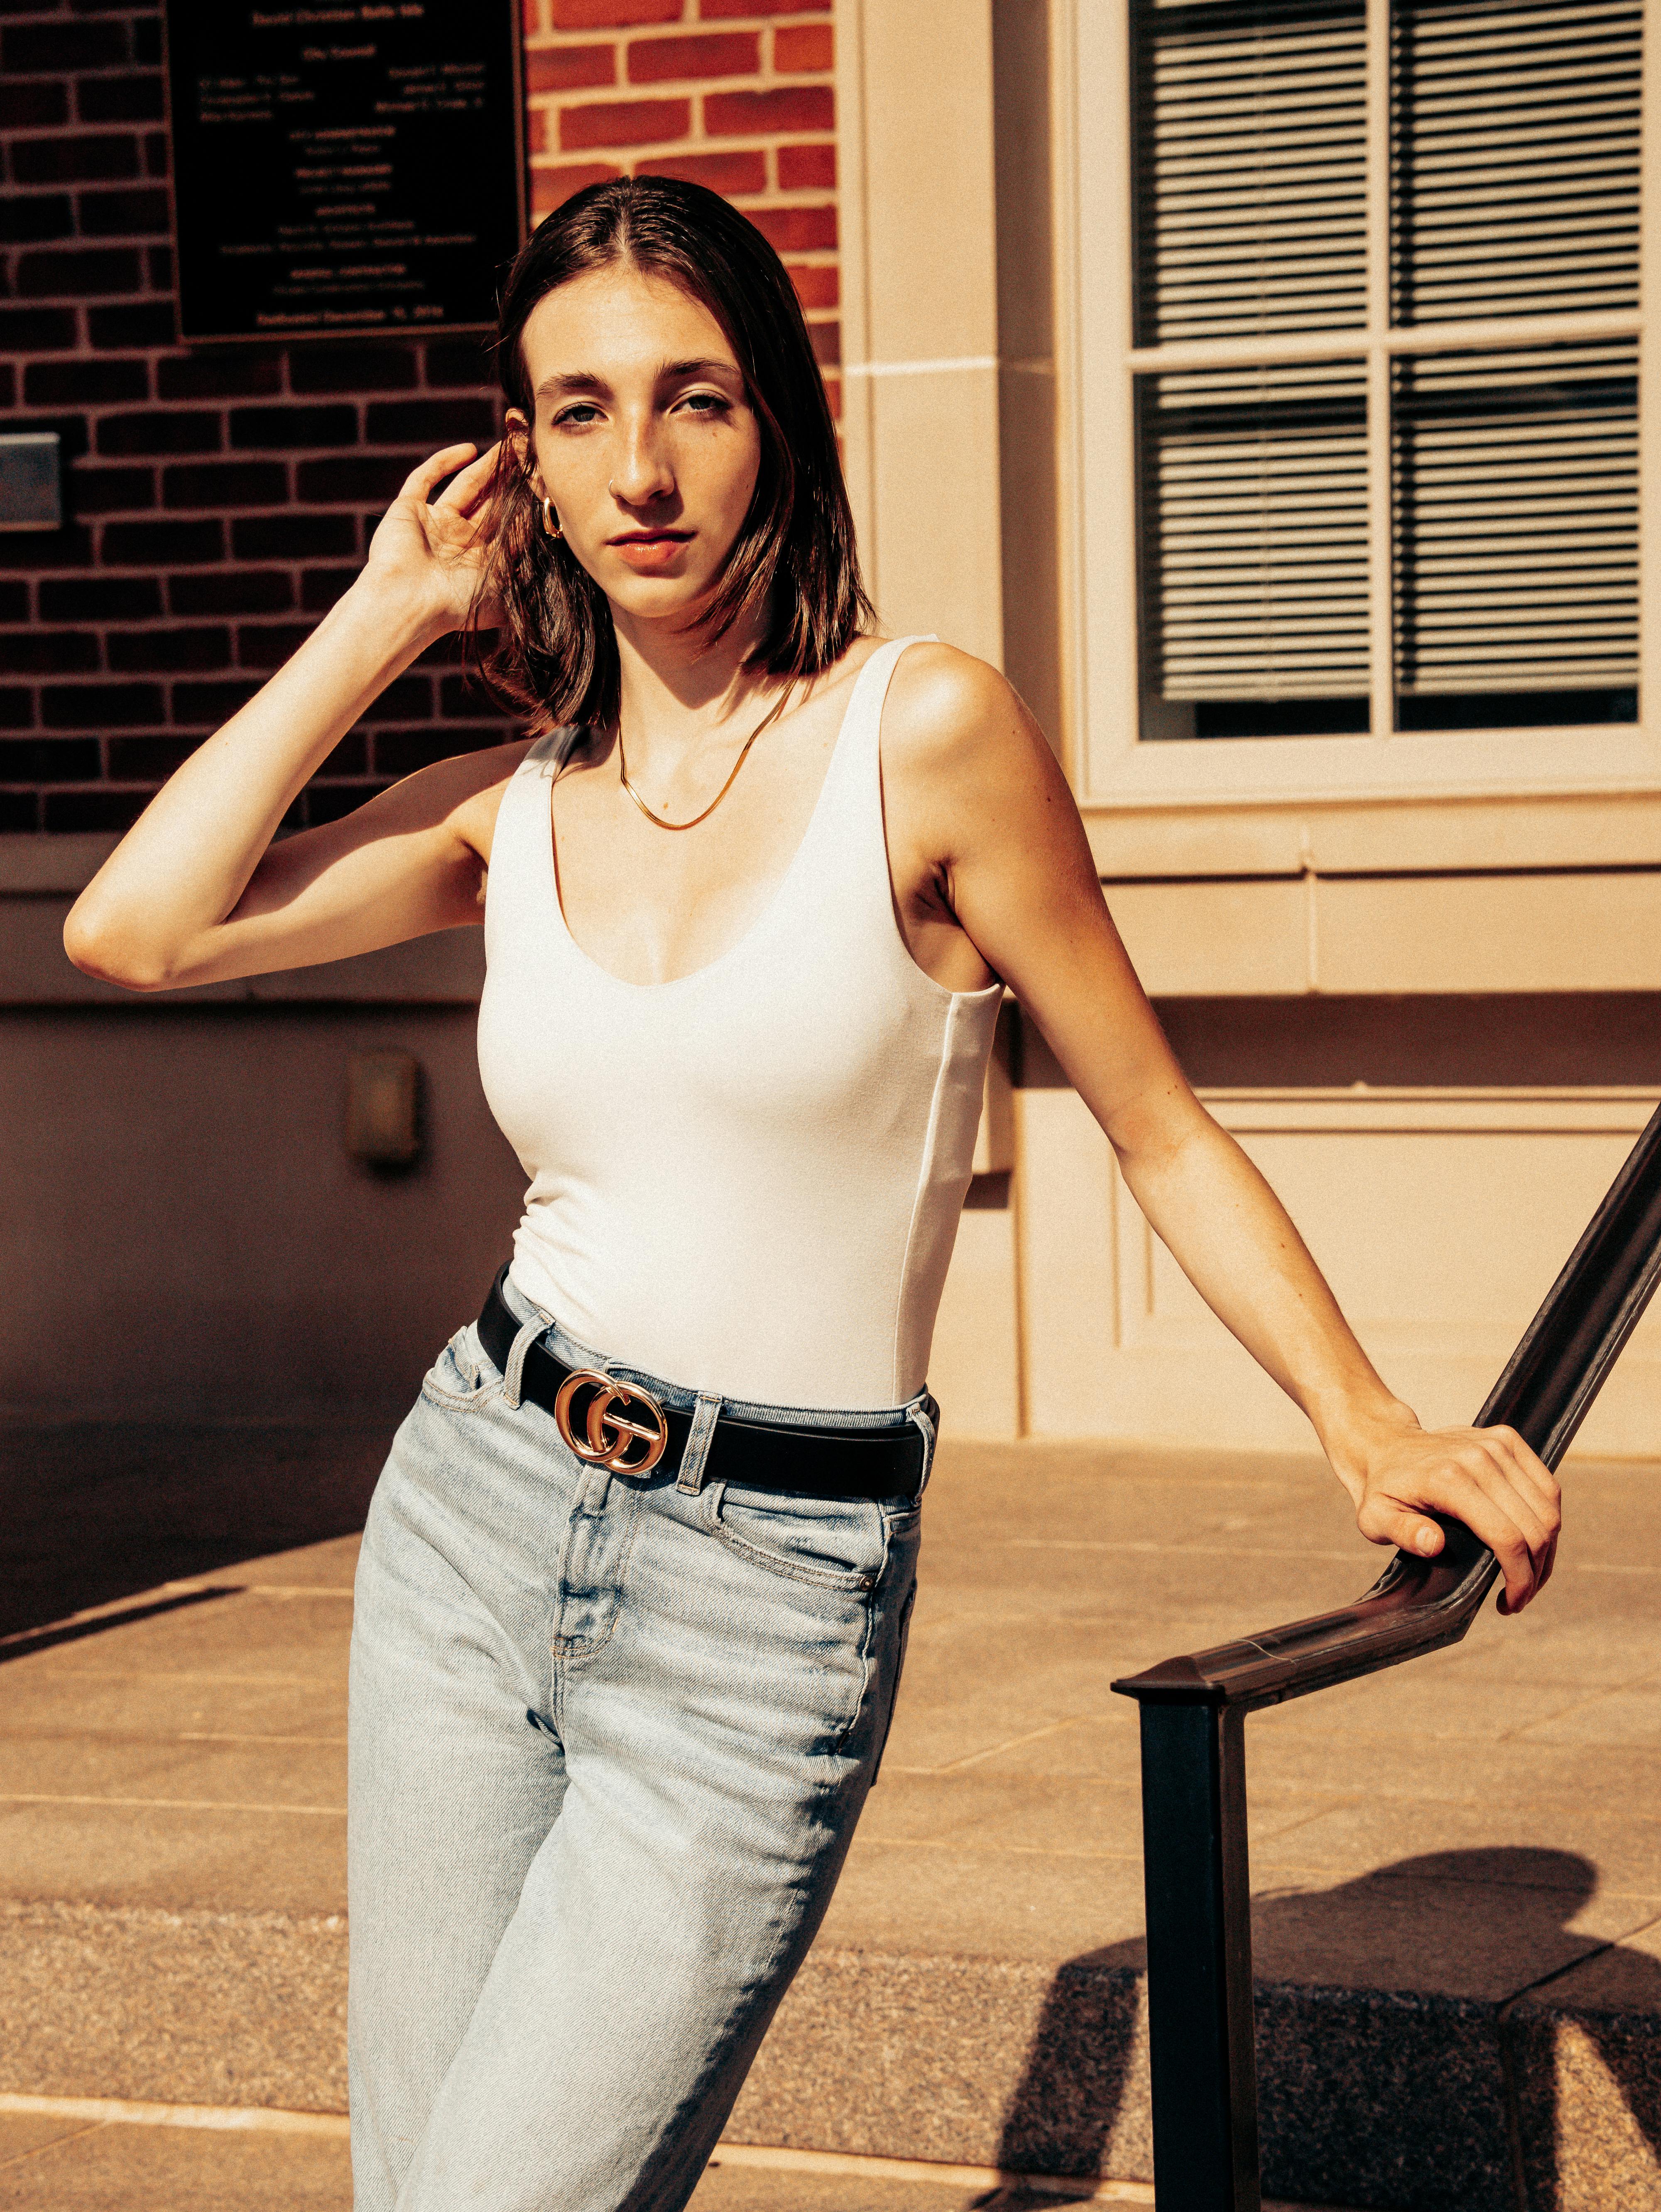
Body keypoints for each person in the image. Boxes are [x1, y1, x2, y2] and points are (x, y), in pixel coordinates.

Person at [63, 179, 1561, 2212]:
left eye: (695, 398)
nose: (643, 470)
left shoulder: (922, 733)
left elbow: (1153, 1123)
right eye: (575, 416)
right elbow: (135, 935)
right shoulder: (514, 804)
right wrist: (391, 611)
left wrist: (1363, 1419)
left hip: (762, 1593)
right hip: (476, 1517)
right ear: (520, 465)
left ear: (781, 416)